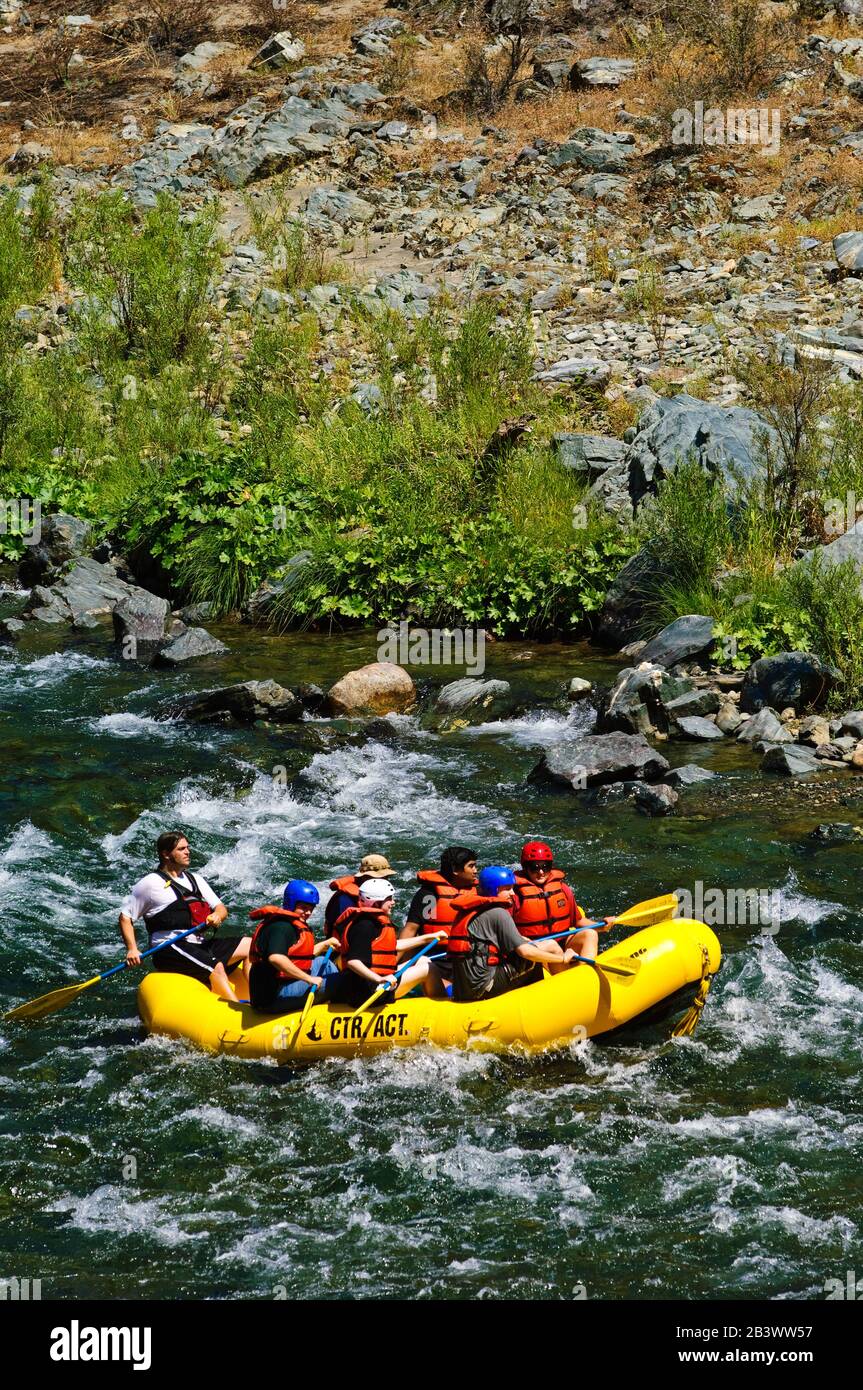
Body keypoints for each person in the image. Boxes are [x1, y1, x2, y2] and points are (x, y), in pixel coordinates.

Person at [119, 830, 251, 1002]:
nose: (188, 852)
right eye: (181, 849)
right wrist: (132, 949)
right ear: (166, 854)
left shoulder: (195, 879)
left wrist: (217, 915)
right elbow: (125, 917)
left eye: (187, 847)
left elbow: (221, 908)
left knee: (252, 946)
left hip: (198, 944)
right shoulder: (151, 883)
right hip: (168, 948)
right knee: (215, 967)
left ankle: (258, 999)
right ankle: (237, 1010)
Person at [448, 865, 575, 1003]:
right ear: (493, 890)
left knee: (542, 945)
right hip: (484, 989)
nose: (513, 893)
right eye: (507, 888)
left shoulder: (470, 910)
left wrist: (521, 940)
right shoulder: (498, 912)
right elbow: (525, 952)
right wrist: (563, 958)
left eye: (513, 888)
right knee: (541, 951)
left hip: (463, 990)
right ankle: (564, 995)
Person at [321, 879, 448, 1008]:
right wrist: (379, 979)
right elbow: (353, 962)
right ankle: (443, 1008)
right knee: (429, 969)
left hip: (372, 983)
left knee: (422, 960)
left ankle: (432, 1003)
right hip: (368, 990)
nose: (393, 902)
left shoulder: (373, 922)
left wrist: (430, 937)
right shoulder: (365, 926)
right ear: (376, 902)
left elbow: (394, 946)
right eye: (389, 899)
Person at [512, 840, 605, 975]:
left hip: (564, 941)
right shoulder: (515, 894)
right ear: (525, 868)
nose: (541, 872)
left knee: (590, 933)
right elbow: (507, 930)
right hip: (538, 948)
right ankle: (564, 984)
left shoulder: (562, 889)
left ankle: (585, 976)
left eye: (546, 866)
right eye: (535, 867)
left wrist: (602, 925)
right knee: (551, 946)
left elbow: (578, 922)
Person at [247, 880, 339, 1015]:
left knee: (323, 963)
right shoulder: (282, 927)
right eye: (303, 907)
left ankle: (330, 1005)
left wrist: (324, 945)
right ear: (291, 904)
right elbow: (276, 958)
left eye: (311, 908)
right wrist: (309, 979)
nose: (308, 913)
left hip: (283, 986)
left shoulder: (291, 924)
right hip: (273, 998)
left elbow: (297, 956)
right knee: (342, 980)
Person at [399, 846, 479, 942]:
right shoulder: (430, 895)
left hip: (467, 951)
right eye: (471, 866)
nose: (475, 870)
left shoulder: (477, 891)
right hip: (435, 953)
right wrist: (396, 956)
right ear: (455, 870)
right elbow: (411, 929)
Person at [324, 853, 396, 938]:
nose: (385, 882)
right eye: (381, 878)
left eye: (386, 877)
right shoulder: (345, 898)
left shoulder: (375, 895)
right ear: (365, 877)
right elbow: (343, 931)